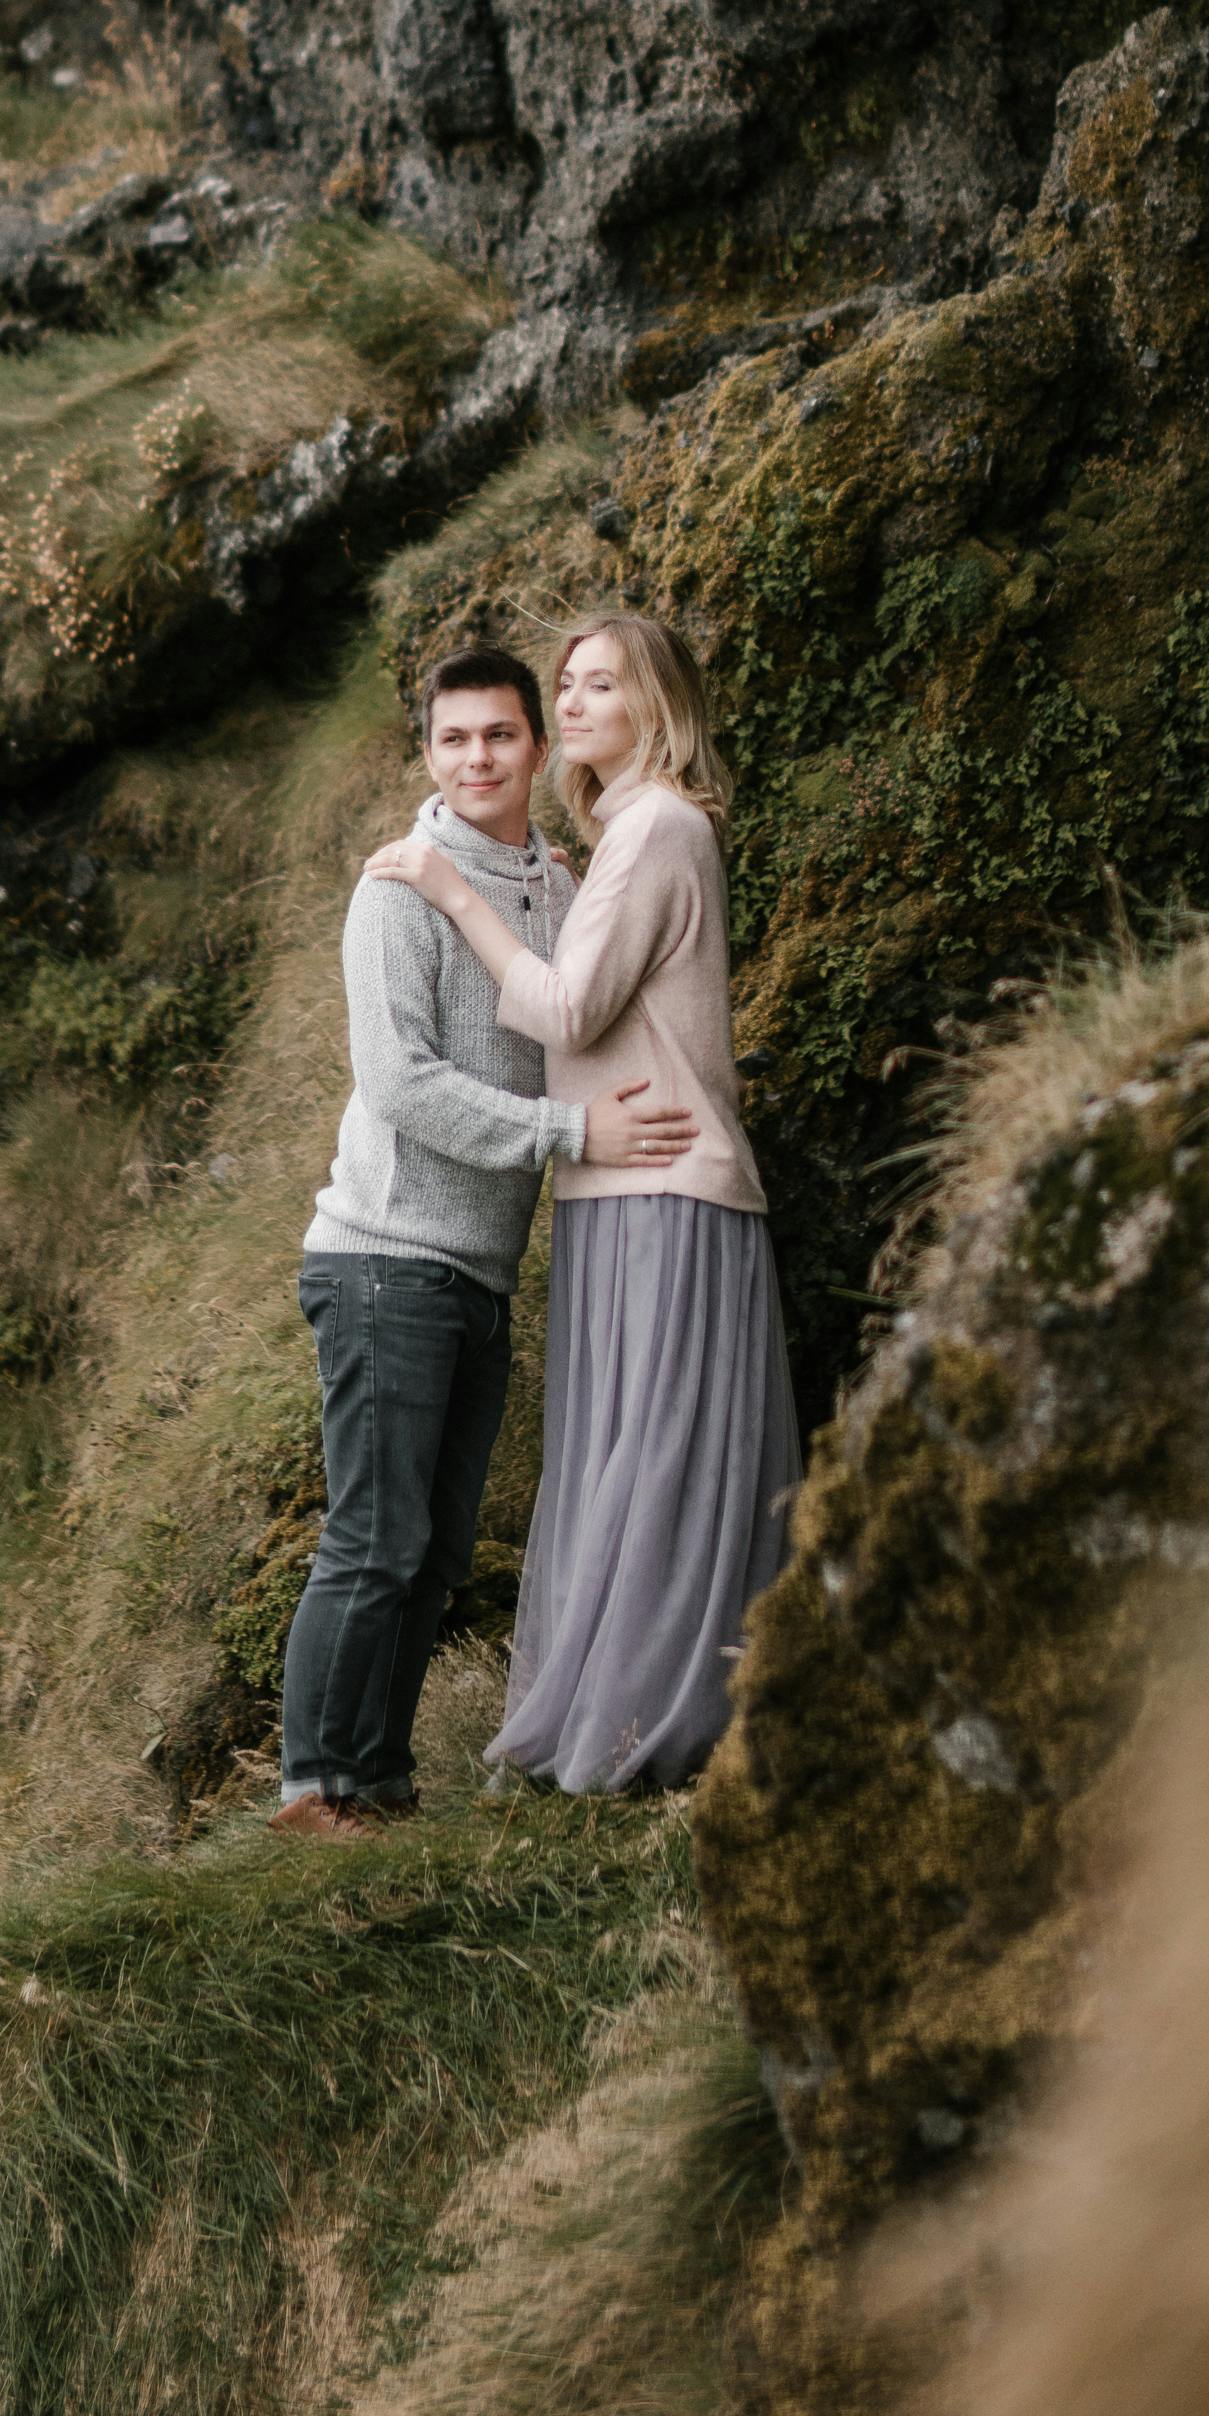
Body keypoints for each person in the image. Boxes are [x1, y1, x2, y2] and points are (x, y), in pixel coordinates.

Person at [361, 612, 800, 1796]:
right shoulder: (618, 837)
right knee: (623, 1451)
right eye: (568, 681)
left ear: (655, 703)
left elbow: (566, 1008)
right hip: (615, 1183)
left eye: (601, 682)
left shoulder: (656, 825)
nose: (575, 698)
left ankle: (644, 1717)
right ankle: (622, 1705)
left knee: (655, 1454)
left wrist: (454, 891)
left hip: (664, 1177)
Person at [275, 642, 696, 1840]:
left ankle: (377, 1781)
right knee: (375, 1535)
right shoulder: (397, 889)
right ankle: (312, 1786)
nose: (477, 758)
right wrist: (571, 1132)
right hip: (382, 1255)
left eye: (499, 734)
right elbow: (400, 1083)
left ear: (536, 744)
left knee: (438, 1548)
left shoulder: (556, 886)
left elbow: (588, 1015)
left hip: (475, 1268)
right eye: (453, 738)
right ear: (427, 752)